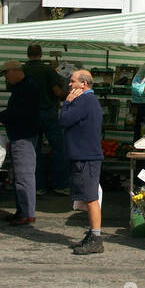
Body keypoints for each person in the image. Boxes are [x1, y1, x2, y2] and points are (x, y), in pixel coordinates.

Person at [0, 59, 47, 226]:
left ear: (14, 71)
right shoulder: (26, 86)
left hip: (24, 136)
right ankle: (22, 211)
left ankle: (27, 213)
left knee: (24, 176)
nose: (5, 79)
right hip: (23, 135)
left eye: (6, 74)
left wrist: (0, 116)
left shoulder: (27, 88)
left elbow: (19, 112)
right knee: (21, 175)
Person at [60, 68, 105, 254]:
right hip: (86, 156)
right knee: (88, 197)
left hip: (86, 157)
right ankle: (93, 235)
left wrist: (67, 103)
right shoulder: (89, 101)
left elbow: (64, 120)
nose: (69, 85)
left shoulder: (84, 100)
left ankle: (96, 237)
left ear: (83, 84)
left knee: (91, 198)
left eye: (72, 81)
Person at [23, 44, 68, 195]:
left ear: (28, 54)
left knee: (34, 151)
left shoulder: (22, 70)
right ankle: (60, 185)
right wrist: (65, 93)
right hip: (48, 113)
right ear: (41, 54)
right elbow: (57, 91)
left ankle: (38, 186)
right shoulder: (48, 70)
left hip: (29, 115)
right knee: (58, 148)